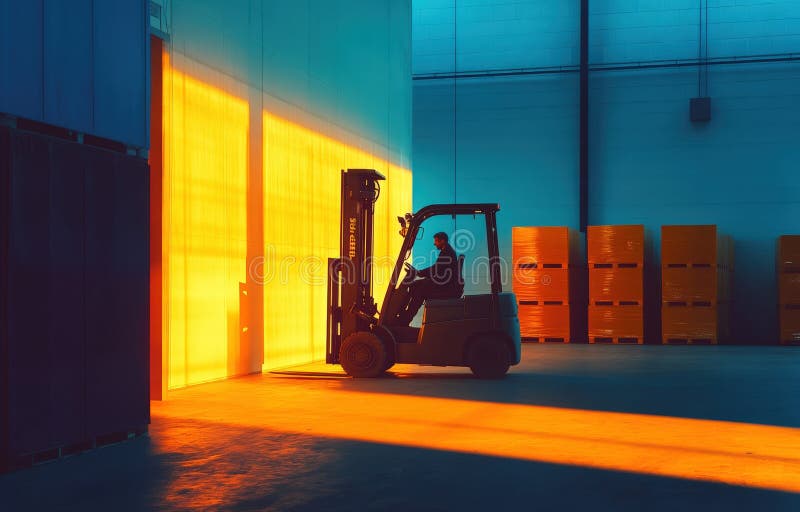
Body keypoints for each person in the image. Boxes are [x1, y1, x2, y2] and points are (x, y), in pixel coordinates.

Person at [399, 232, 462, 324]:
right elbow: (437, 268)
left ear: (442, 241)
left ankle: (405, 319)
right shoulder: (446, 251)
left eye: (436, 241)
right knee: (414, 285)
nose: (434, 243)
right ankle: (404, 315)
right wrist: (420, 273)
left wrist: (420, 272)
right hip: (444, 282)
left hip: (445, 285)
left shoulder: (447, 252)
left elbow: (436, 269)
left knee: (420, 290)